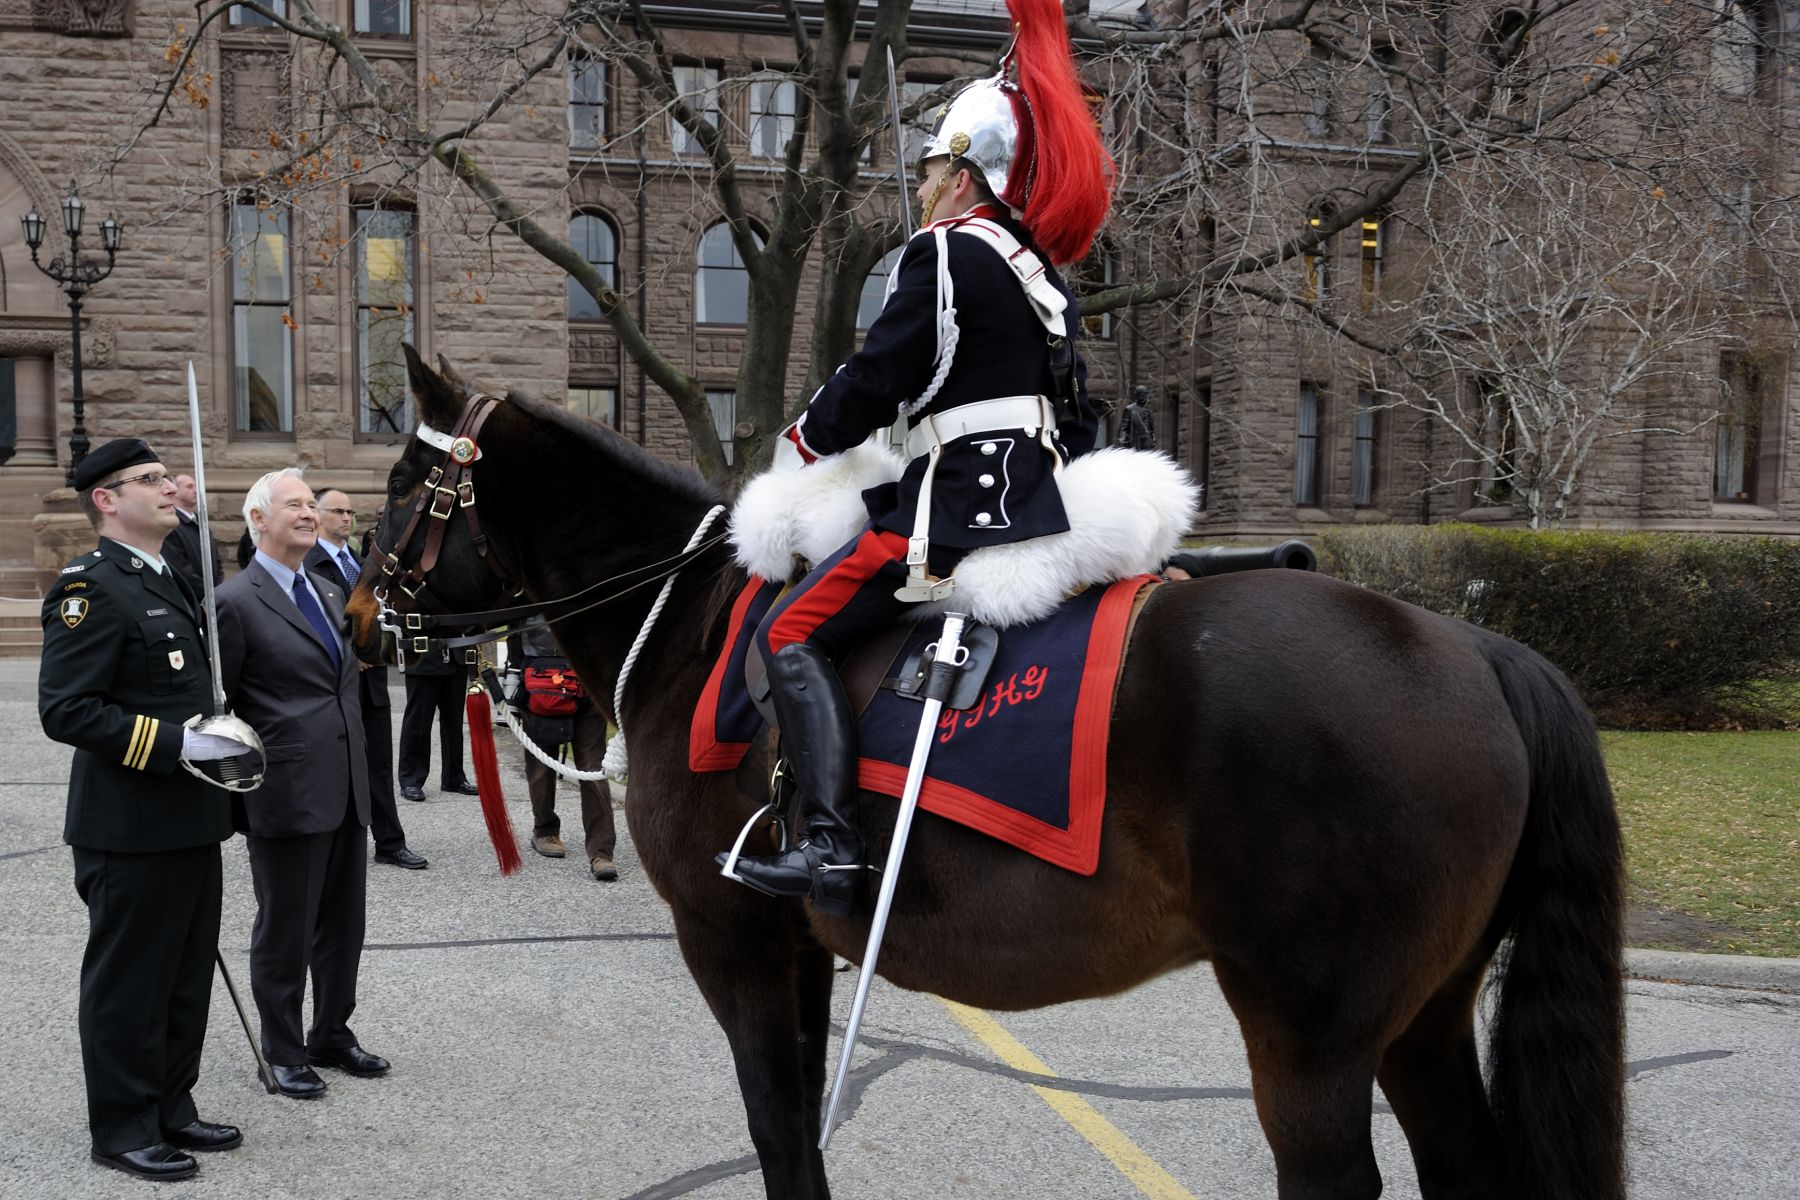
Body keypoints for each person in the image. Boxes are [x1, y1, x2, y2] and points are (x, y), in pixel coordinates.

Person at [721, 0, 1113, 915]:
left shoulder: (941, 250)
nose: (926, 177)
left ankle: (830, 844)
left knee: (788, 632)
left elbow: (878, 373)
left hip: (955, 511)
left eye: (935, 162)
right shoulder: (1040, 272)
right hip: (1039, 497)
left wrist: (800, 446)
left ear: (967, 170)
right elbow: (1077, 410)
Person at [38, 438, 243, 1181]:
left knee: (185, 976)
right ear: (106, 499)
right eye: (149, 480)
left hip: (192, 817)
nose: (168, 488)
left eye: (165, 477)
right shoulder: (92, 588)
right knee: (131, 983)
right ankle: (122, 1128)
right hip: (128, 825)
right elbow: (66, 710)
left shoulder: (170, 575)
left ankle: (170, 1107)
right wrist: (179, 741)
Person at [217, 468, 390, 1100]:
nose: (309, 512)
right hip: (286, 792)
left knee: (345, 925)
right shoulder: (234, 601)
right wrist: (238, 797)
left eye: (312, 504)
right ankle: (284, 1049)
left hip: (346, 786)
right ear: (257, 519)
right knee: (286, 928)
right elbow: (224, 709)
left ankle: (331, 1033)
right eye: (294, 504)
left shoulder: (323, 587)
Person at [306, 487, 426, 870]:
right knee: (333, 766)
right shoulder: (308, 565)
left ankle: (390, 842)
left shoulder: (361, 564)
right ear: (317, 515)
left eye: (349, 511)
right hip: (333, 686)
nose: (346, 517)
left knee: (377, 765)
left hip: (371, 685)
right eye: (337, 511)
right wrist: (346, 656)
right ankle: (332, 843)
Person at [513, 623, 619, 881]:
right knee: (540, 767)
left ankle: (601, 851)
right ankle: (545, 830)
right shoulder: (524, 589)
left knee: (593, 769)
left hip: (589, 680)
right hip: (539, 681)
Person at [396, 628, 478, 802]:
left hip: (456, 657)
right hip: (423, 656)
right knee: (418, 723)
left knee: (454, 723)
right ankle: (411, 779)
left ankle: (454, 777)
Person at [161, 473, 224, 599]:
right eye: (189, 487)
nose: (196, 490)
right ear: (175, 491)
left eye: (196, 486)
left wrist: (218, 586)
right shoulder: (172, 524)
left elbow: (215, 557)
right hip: (192, 598)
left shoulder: (201, 521)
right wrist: (208, 593)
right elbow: (181, 568)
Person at [1118, 384, 1157, 451]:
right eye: (1142, 394)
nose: (1144, 396)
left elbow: (1152, 427)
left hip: (1147, 441)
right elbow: (1123, 428)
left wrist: (1153, 439)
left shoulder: (1149, 409)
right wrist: (1122, 441)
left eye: (1145, 394)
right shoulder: (1130, 409)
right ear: (1138, 395)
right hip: (1135, 440)